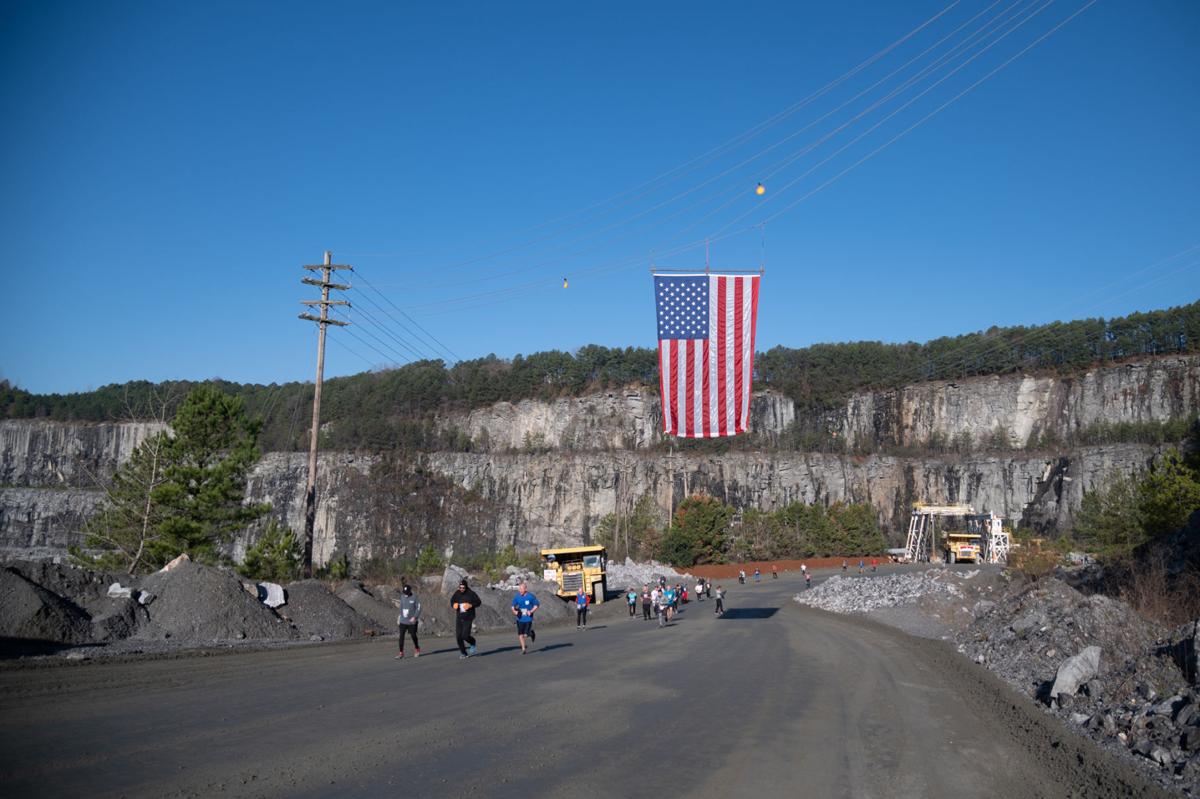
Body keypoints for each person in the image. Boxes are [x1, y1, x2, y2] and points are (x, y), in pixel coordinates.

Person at [450, 578, 481, 659]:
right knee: (458, 636)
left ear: (466, 587)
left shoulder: (471, 593)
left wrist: (471, 605)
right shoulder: (457, 593)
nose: (461, 589)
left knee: (465, 636)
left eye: (463, 588)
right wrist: (454, 605)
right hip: (459, 617)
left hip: (468, 617)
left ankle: (472, 642)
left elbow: (478, 602)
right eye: (460, 587)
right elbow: (452, 600)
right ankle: (464, 653)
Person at [512, 581, 540, 653]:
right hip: (519, 618)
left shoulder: (530, 596)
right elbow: (512, 606)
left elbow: (536, 605)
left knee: (525, 635)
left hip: (528, 618)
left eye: (521, 589)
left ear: (525, 589)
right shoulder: (517, 597)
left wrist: (531, 611)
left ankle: (531, 633)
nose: (520, 590)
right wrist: (514, 611)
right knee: (520, 634)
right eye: (519, 589)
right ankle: (523, 649)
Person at [395, 584, 421, 659]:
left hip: (412, 621)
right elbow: (401, 607)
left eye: (406, 593)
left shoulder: (415, 598)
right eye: (404, 592)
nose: (405, 594)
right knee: (401, 636)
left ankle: (417, 648)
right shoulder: (402, 597)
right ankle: (401, 653)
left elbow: (418, 608)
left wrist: (415, 617)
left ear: (410, 591)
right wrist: (399, 617)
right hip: (403, 621)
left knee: (413, 635)